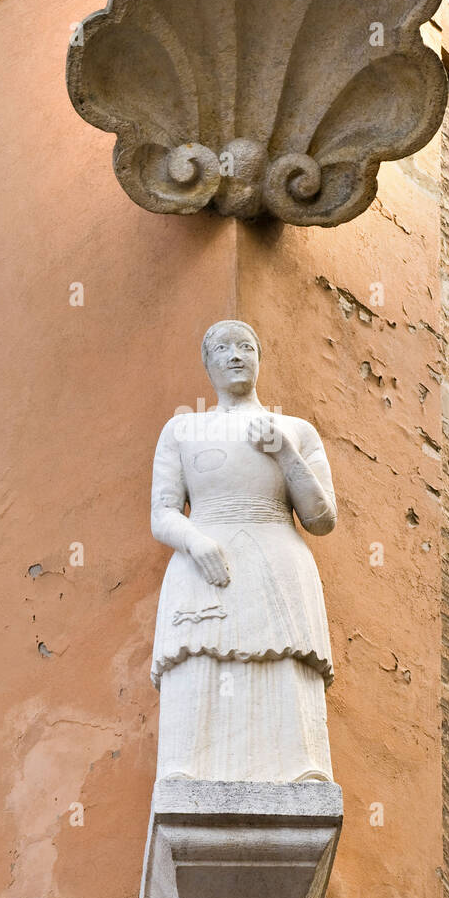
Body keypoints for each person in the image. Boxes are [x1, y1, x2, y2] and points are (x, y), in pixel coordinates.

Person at [150, 319, 337, 783]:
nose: (235, 355)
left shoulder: (295, 430)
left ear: (259, 358)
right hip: (204, 558)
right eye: (223, 348)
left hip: (277, 552)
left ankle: (300, 767)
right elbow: (163, 513)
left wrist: (285, 453)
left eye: (246, 347)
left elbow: (321, 518)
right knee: (202, 654)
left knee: (282, 659)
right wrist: (195, 540)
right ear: (207, 363)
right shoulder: (183, 429)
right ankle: (187, 768)